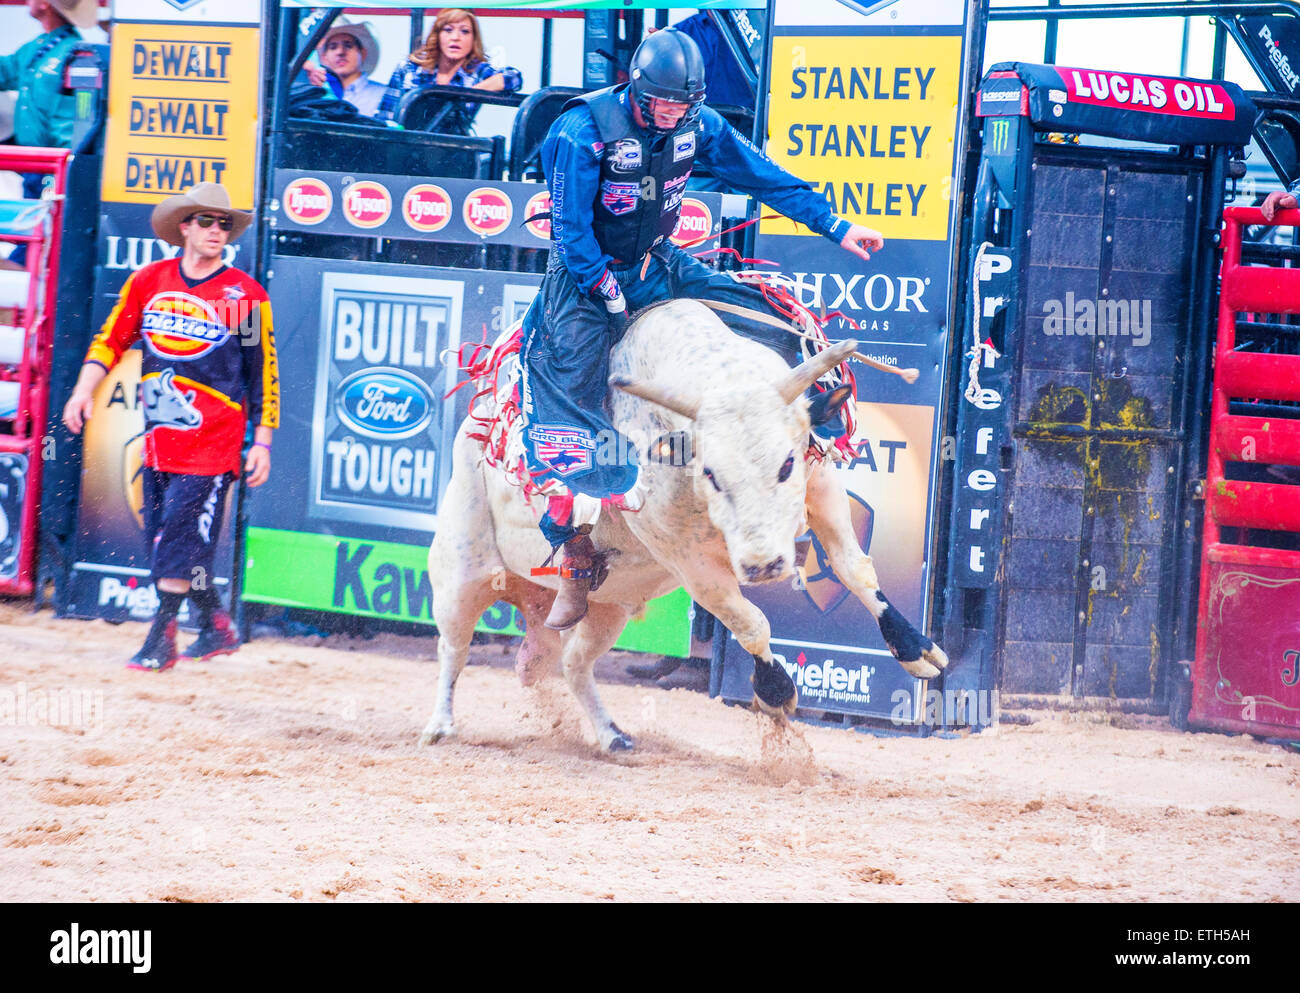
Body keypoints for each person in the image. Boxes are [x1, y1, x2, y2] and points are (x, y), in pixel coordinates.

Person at [522, 30, 883, 630]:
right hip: (584, 281)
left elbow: (761, 177)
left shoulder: (701, 124)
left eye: (682, 104)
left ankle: (811, 431)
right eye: (662, 103)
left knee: (767, 315)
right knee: (567, 396)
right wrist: (610, 297)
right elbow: (569, 232)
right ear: (638, 89)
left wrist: (836, 225)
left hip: (658, 262)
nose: (672, 114)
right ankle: (572, 549)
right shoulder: (580, 130)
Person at [62, 183, 280, 672]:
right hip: (159, 438)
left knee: (177, 537)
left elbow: (263, 372)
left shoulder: (245, 295)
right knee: (172, 540)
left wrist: (261, 442)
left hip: (215, 441)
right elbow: (110, 339)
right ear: (185, 226)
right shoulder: (150, 281)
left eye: (224, 224)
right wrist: (82, 391)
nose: (216, 232)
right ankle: (217, 626)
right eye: (206, 221)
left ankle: (161, 639)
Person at [0, 0, 97, 269]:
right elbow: (5, 71)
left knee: (42, 237)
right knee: (32, 235)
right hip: (35, 166)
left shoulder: (77, 53)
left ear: (46, 5)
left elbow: (79, 121)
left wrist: (65, 167)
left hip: (53, 169)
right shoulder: (36, 48)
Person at [375, 8, 521, 135]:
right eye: (448, 29)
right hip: (406, 148)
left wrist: (469, 94)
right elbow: (384, 119)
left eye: (464, 31)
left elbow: (514, 78)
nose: (455, 38)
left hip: (452, 153)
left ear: (473, 39)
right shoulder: (408, 68)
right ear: (437, 35)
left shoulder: (476, 71)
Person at [305, 19, 387, 119]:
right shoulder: (315, 95)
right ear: (323, 58)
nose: (340, 52)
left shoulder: (383, 95)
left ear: (363, 53)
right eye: (333, 47)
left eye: (348, 46)